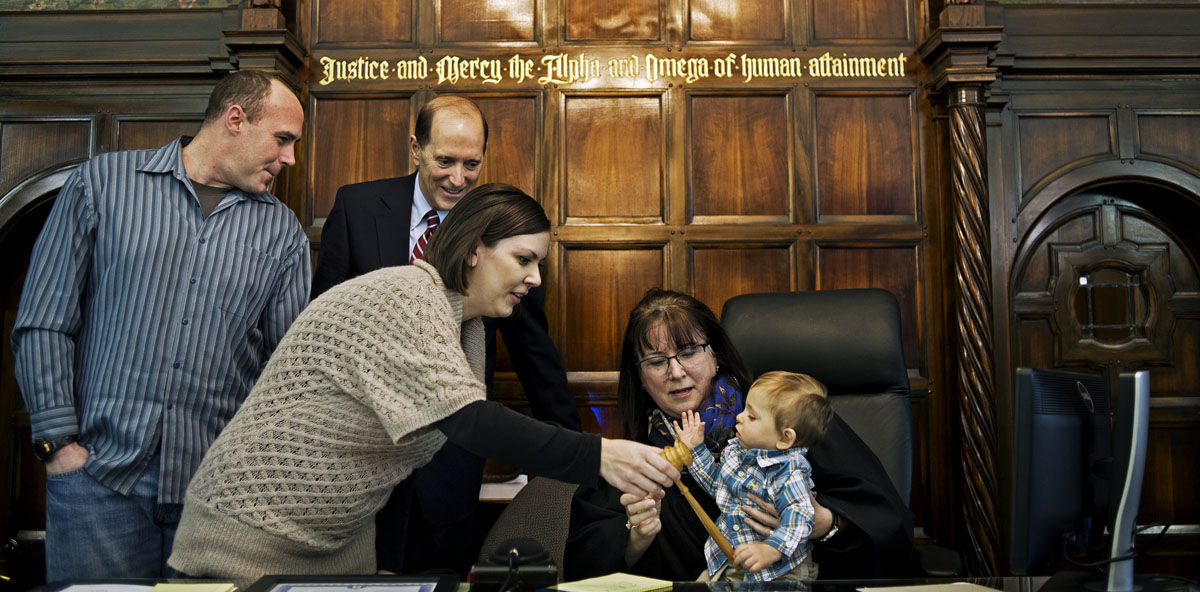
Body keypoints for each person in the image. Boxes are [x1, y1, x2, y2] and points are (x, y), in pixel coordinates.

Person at [167, 183, 679, 586]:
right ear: (476, 250)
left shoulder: (469, 327)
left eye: (538, 263)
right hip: (248, 542)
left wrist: (386, 566)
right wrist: (599, 454)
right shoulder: (408, 294)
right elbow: (470, 421)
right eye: (524, 259)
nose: (535, 279)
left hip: (339, 549)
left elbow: (391, 455)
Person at [12, 70, 311, 581]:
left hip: (216, 502)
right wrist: (59, 446)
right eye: (282, 139)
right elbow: (44, 321)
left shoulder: (283, 232)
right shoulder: (101, 186)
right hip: (98, 487)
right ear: (235, 120)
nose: (289, 159)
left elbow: (287, 373)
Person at [312, 93, 580, 576]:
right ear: (416, 149)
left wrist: (580, 460)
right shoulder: (356, 208)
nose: (459, 179)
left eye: (471, 164)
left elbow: (535, 357)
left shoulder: (503, 230)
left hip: (449, 471)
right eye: (445, 161)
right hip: (362, 466)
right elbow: (323, 338)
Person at [563, 288, 917, 582]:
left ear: (716, 355)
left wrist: (823, 523)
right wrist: (636, 539)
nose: (676, 372)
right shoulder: (633, 457)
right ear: (639, 376)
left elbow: (887, 519)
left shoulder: (784, 416)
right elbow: (583, 567)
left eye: (688, 353)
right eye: (656, 362)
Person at [677, 371, 833, 583]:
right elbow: (718, 486)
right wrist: (695, 450)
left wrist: (771, 549)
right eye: (744, 410)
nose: (739, 417)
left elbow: (800, 517)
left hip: (781, 571)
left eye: (751, 416)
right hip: (730, 560)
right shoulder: (738, 452)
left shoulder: (788, 472)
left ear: (785, 438)